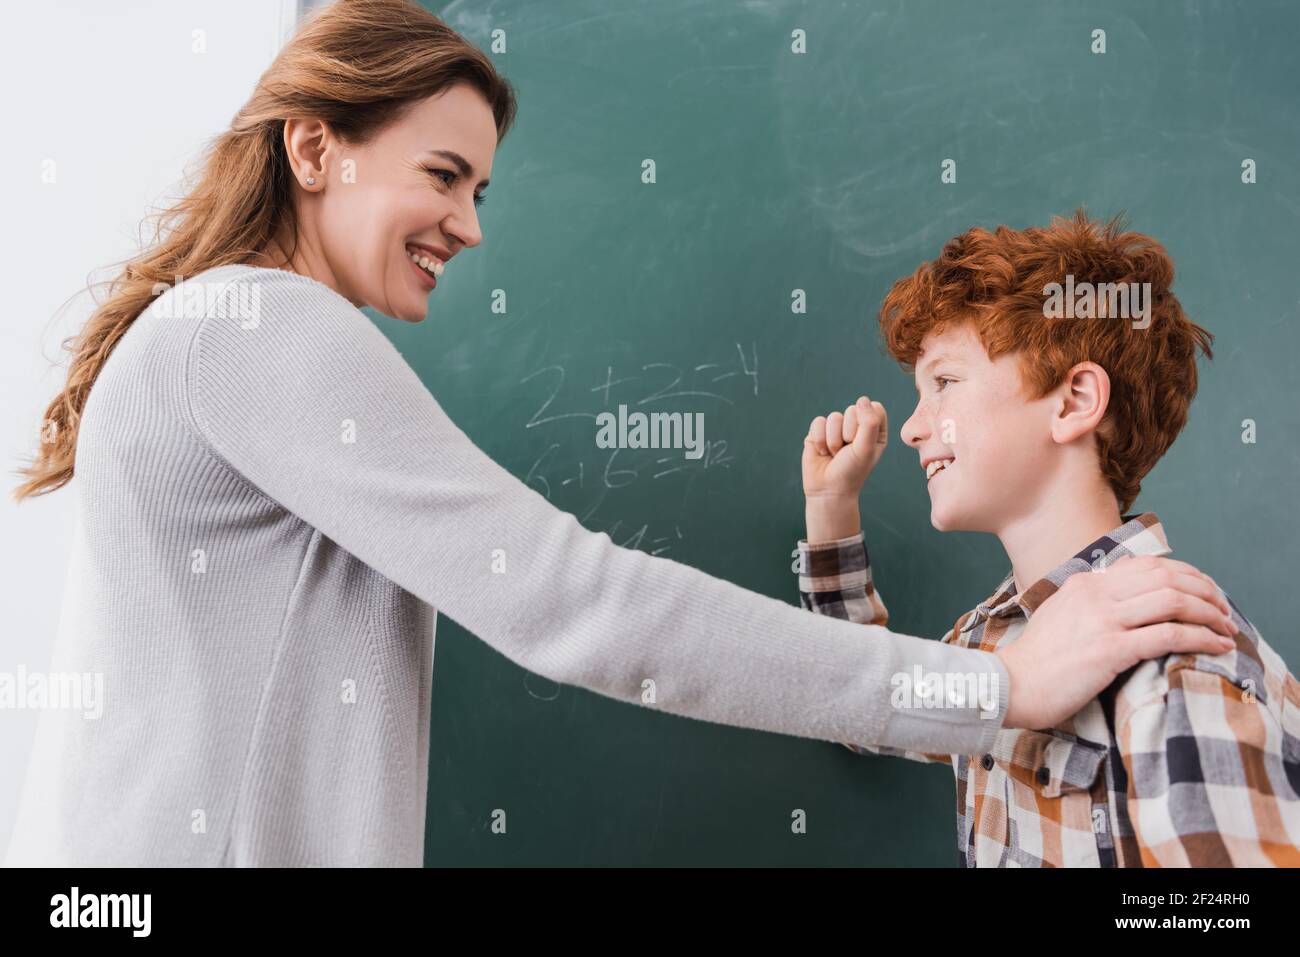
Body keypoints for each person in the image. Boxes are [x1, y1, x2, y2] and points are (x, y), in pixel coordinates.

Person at [5, 1, 1234, 866]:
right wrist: (1001, 685)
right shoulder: (258, 329)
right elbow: (575, 603)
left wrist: (869, 570)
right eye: (442, 175)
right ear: (315, 147)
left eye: (478, 190)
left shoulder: (215, 331)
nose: (469, 226)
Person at [797, 211, 1300, 866]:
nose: (915, 428)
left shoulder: (1183, 662)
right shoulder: (997, 643)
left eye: (944, 382)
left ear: (1072, 402)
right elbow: (862, 707)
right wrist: (832, 506)